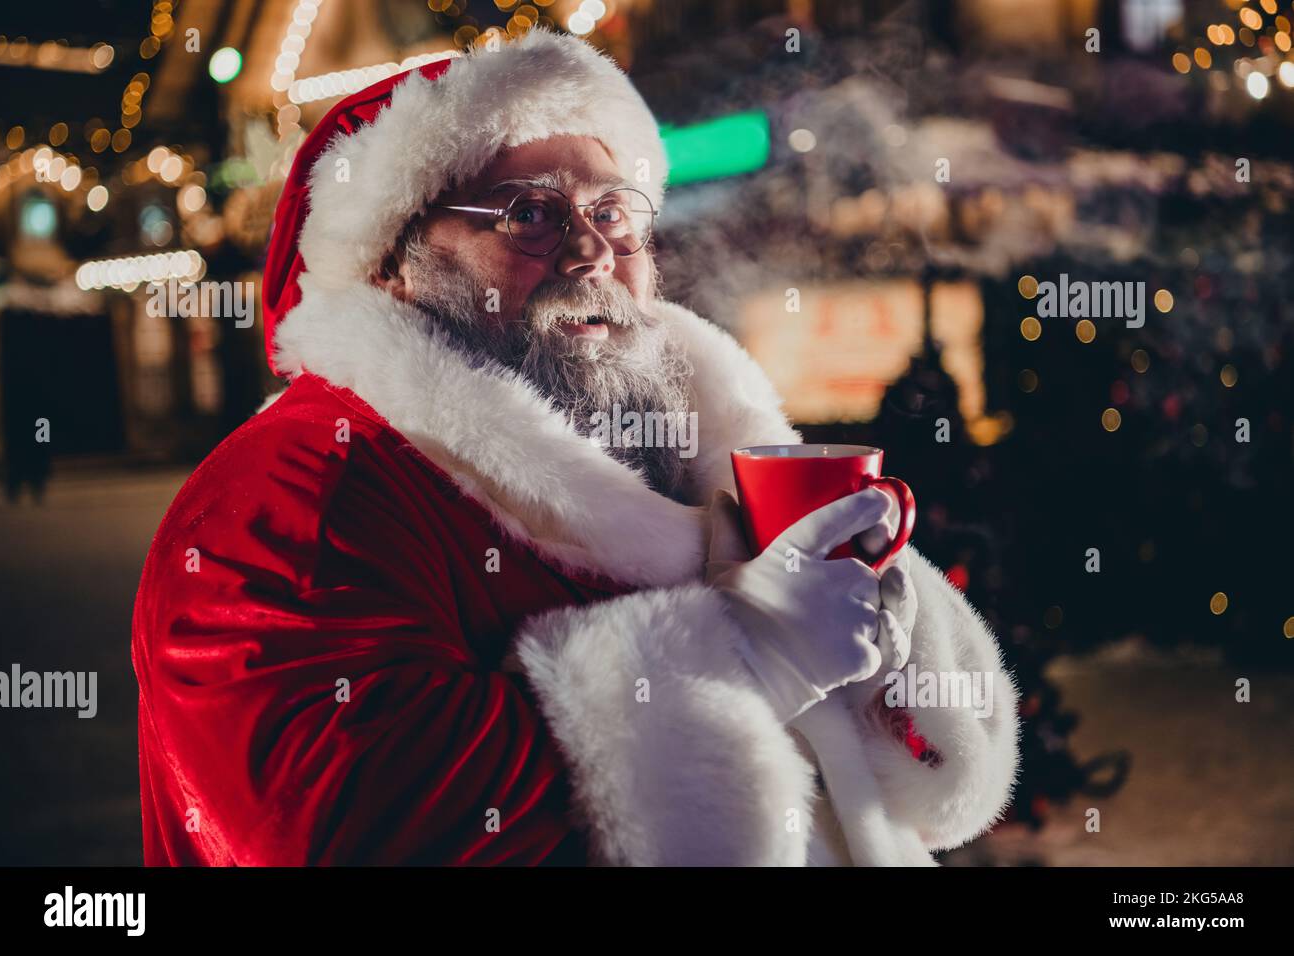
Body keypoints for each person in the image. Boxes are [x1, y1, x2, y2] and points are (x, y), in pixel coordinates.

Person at [131, 27, 1019, 865]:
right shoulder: (292, 496)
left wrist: (890, 643)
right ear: (389, 264)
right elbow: (341, 829)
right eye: (528, 215)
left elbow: (938, 780)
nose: (591, 249)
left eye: (614, 211)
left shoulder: (696, 453)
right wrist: (749, 655)